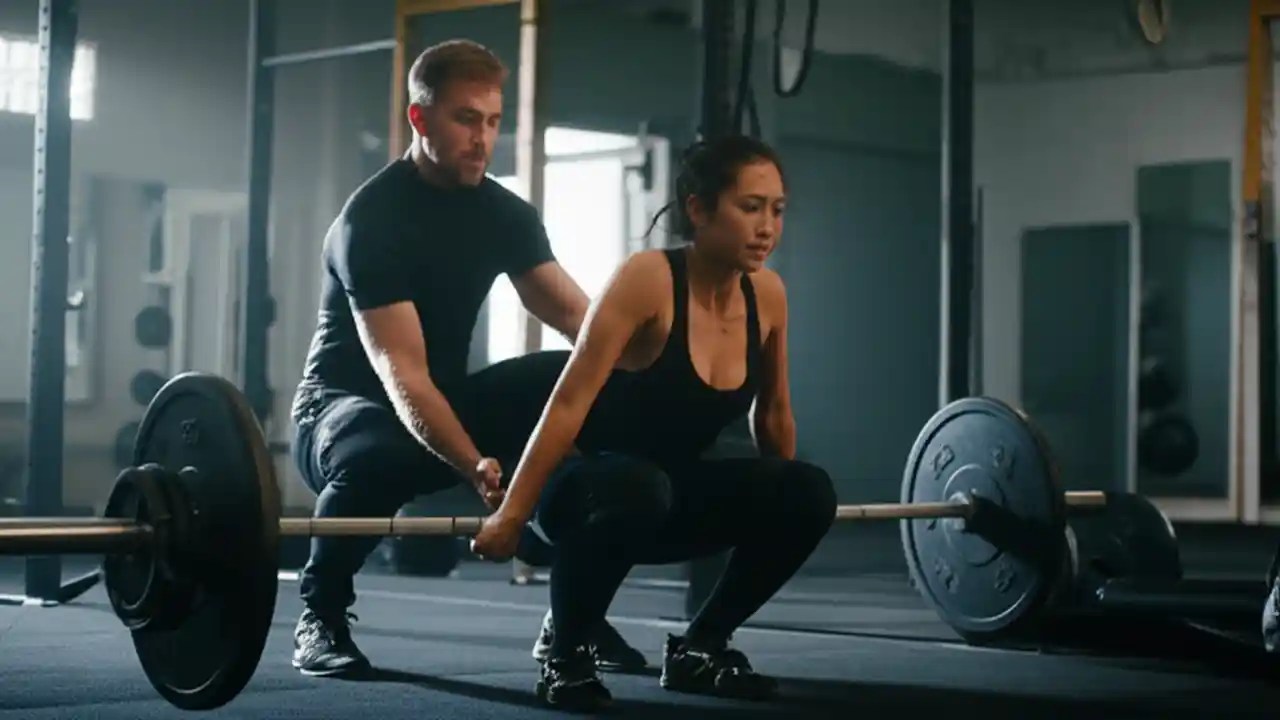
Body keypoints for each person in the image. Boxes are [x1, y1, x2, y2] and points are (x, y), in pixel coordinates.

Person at [288, 38, 644, 678]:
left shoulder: (504, 214)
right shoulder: (370, 221)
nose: (482, 138)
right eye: (464, 119)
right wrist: (475, 466)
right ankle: (321, 614)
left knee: (582, 383)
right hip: (343, 413)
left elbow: (580, 323)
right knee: (382, 450)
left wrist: (661, 363)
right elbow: (403, 378)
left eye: (491, 121)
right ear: (420, 119)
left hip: (440, 402)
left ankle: (575, 613)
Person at [471, 135, 838, 711]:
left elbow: (773, 414)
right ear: (698, 208)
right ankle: (564, 650)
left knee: (809, 490)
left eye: (777, 209)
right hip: (581, 493)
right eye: (750, 207)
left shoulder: (768, 294)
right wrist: (511, 516)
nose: (767, 225)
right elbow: (565, 404)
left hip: (666, 495)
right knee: (640, 484)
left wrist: (776, 508)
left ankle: (702, 645)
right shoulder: (647, 279)